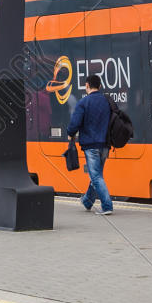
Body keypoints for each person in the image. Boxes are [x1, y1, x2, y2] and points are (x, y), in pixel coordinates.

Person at [66, 73, 114, 215]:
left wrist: (70, 134)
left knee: (96, 177)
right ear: (99, 86)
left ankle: (107, 206)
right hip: (105, 144)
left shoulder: (84, 103)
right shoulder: (107, 101)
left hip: (91, 145)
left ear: (87, 86)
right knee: (97, 174)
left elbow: (74, 123)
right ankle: (87, 201)